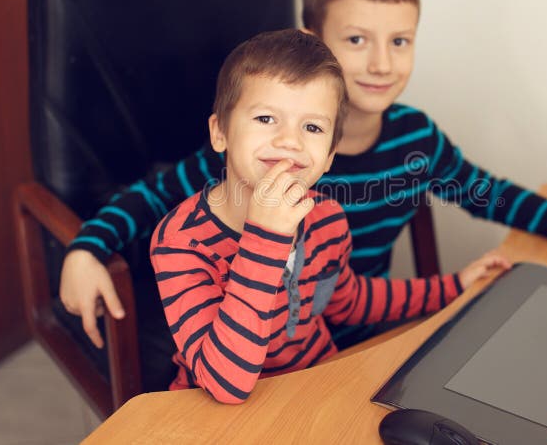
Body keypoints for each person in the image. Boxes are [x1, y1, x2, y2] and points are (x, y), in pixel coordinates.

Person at [61, 0, 547, 354]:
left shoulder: (414, 141)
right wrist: (87, 248)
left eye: (400, 41)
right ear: (312, 42)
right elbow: (148, 200)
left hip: (356, 329)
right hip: (258, 346)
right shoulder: (263, 152)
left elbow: (489, 194)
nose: (382, 64)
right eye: (356, 39)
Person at [151, 29, 511, 402]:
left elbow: (349, 301)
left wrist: (452, 287)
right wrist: (266, 239)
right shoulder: (181, 242)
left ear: (328, 157)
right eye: (265, 119)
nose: (290, 140)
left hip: (313, 390)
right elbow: (226, 384)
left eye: (312, 127)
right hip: (211, 415)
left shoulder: (326, 218)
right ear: (220, 132)